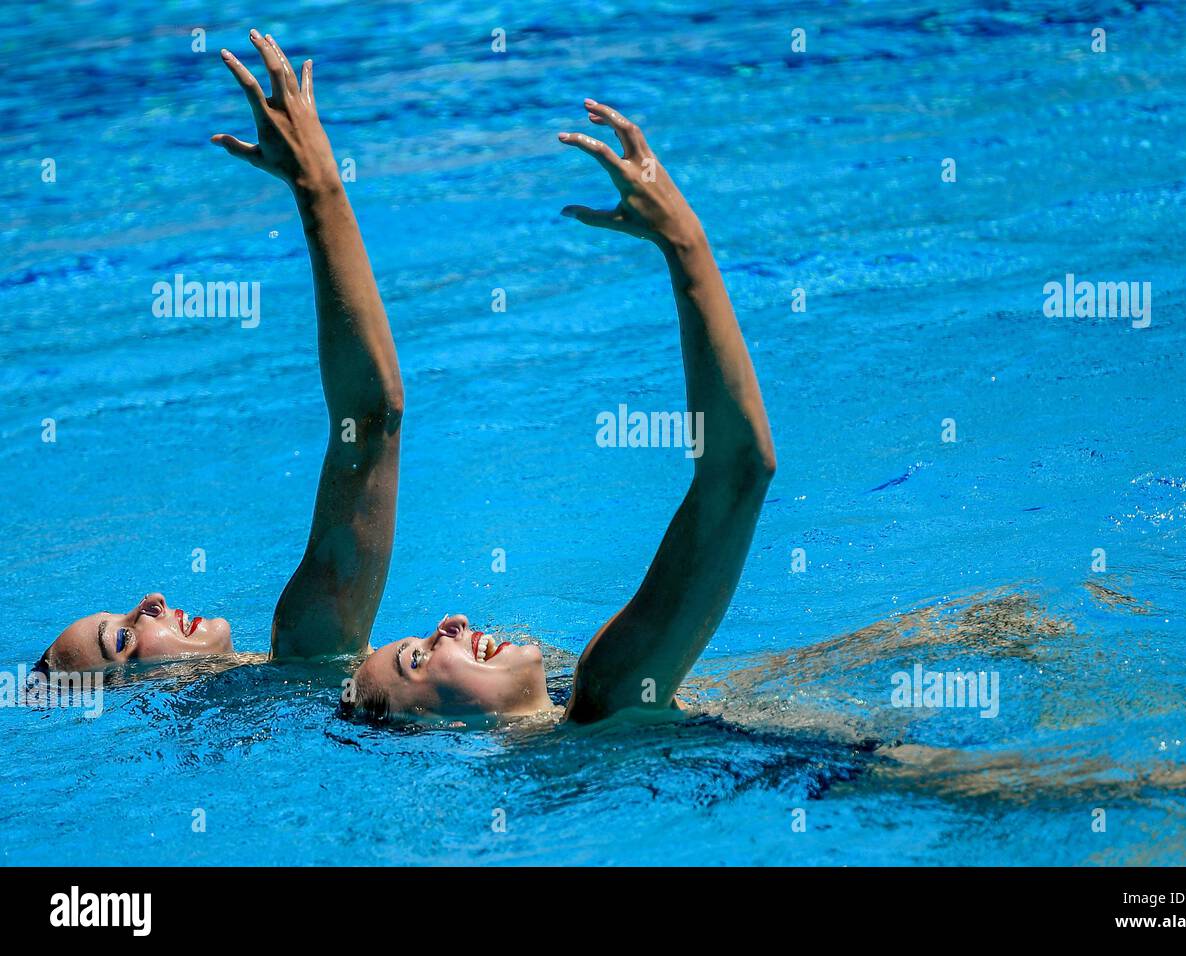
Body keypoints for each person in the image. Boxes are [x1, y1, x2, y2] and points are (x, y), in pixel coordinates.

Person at [345, 99, 776, 726]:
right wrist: (683, 242)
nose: (448, 625)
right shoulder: (606, 691)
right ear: (427, 726)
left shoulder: (584, 742)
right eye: (416, 659)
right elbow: (739, 471)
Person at [34, 31, 403, 677]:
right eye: (121, 640)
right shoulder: (307, 650)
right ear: (145, 699)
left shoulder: (297, 681)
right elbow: (372, 422)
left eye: (119, 615)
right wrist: (317, 184)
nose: (148, 602)